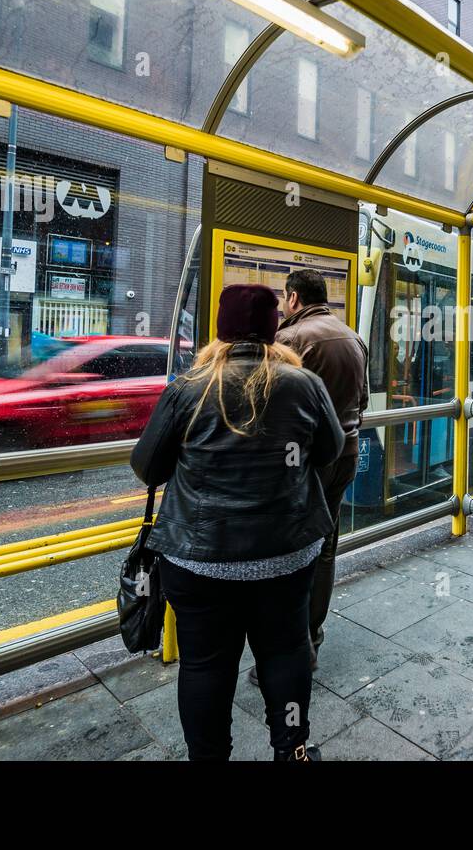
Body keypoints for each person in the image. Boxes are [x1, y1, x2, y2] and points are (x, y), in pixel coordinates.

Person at [131, 284, 345, 762]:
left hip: (201, 559)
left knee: (205, 667)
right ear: (274, 332)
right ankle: (292, 751)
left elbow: (147, 467)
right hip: (288, 554)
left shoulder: (189, 388)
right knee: (286, 653)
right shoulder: (304, 384)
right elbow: (330, 451)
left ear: (220, 331)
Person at [247, 268, 368, 686]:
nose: (283, 305)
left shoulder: (289, 340)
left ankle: (288, 650)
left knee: (288, 553)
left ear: (295, 298)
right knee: (325, 549)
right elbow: (362, 401)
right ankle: (311, 637)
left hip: (302, 462)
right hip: (345, 453)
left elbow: (263, 406)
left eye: (285, 298)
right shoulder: (352, 337)